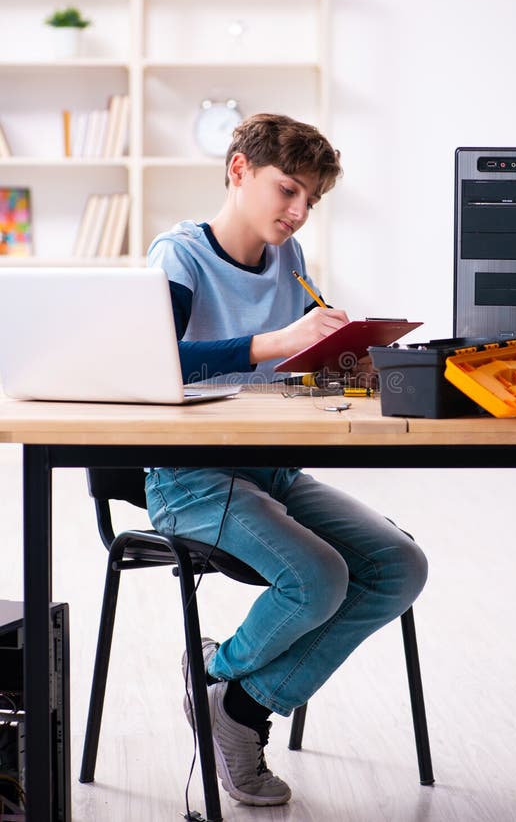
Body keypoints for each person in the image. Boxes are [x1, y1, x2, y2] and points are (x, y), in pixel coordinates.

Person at [145, 113, 428, 807]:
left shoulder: (288, 260)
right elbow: (153, 360)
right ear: (239, 170)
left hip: (268, 469)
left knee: (399, 565)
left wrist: (341, 360)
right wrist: (275, 342)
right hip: (188, 479)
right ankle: (221, 683)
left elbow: (290, 373)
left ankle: (233, 702)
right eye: (288, 190)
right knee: (318, 577)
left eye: (311, 200)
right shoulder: (179, 257)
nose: (299, 211)